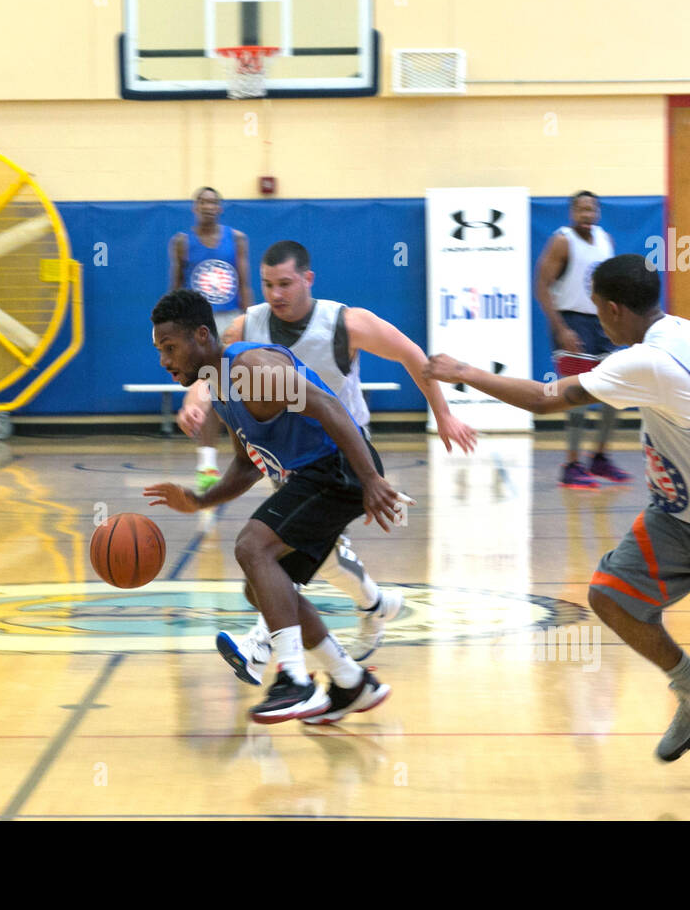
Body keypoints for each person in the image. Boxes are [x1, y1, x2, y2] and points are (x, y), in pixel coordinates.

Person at [425, 254, 690, 783]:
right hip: (682, 510)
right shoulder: (678, 330)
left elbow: (542, 400)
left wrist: (461, 372)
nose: (598, 319)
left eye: (598, 309)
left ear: (616, 311)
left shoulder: (643, 362)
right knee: (611, 597)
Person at [176, 240, 476, 683]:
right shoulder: (251, 323)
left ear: (308, 279)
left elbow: (414, 356)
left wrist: (443, 412)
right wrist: (195, 399)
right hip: (287, 457)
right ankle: (374, 610)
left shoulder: (344, 321)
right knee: (315, 553)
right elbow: (208, 363)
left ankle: (269, 655)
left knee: (272, 556)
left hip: (343, 456)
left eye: (285, 283)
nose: (276, 293)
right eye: (267, 284)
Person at [144, 289, 403, 724]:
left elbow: (327, 405)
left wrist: (372, 479)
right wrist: (199, 500)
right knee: (265, 588)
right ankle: (350, 682)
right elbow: (248, 465)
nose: (165, 361)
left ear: (202, 335)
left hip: (337, 465)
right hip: (316, 475)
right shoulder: (222, 389)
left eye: (170, 348)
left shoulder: (249, 369)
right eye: (159, 352)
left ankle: (296, 682)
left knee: (252, 547)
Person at [533, 191, 630, 488]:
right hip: (572, 322)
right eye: (581, 209)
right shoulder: (563, 241)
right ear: (572, 212)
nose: (587, 214)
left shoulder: (606, 240)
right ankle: (572, 464)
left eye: (591, 209)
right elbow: (541, 285)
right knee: (578, 395)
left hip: (603, 322)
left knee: (616, 390)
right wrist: (561, 328)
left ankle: (600, 457)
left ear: (598, 212)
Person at [168, 187, 253, 491]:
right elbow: (175, 289)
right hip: (197, 324)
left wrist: (250, 322)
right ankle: (206, 466)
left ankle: (263, 455)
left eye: (213, 202)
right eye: (202, 201)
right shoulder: (181, 243)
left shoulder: (237, 239)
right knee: (207, 390)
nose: (207, 206)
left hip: (231, 321)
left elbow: (244, 284)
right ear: (194, 207)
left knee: (235, 394)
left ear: (220, 208)